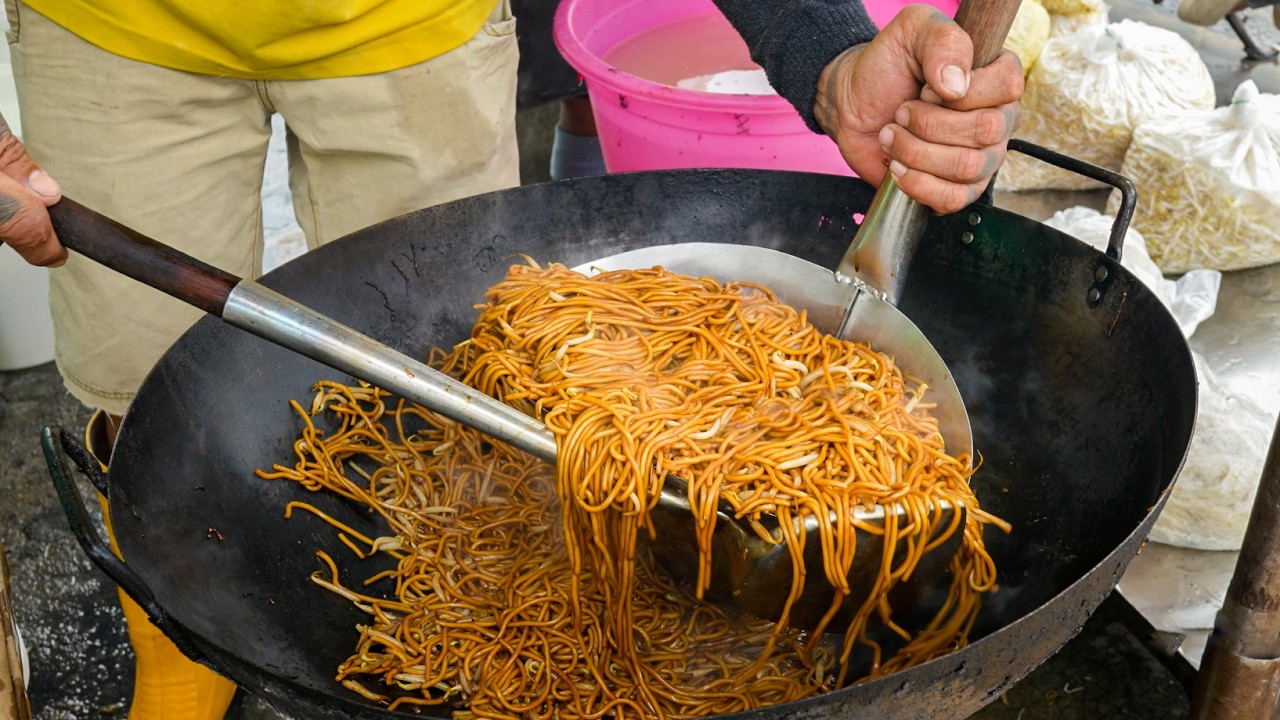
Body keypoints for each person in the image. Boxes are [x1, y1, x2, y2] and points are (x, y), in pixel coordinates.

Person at [0, 1, 1022, 718]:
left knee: (445, 375)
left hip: (411, 30)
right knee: (142, 378)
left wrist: (821, 48)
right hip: (113, 33)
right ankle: (174, 649)